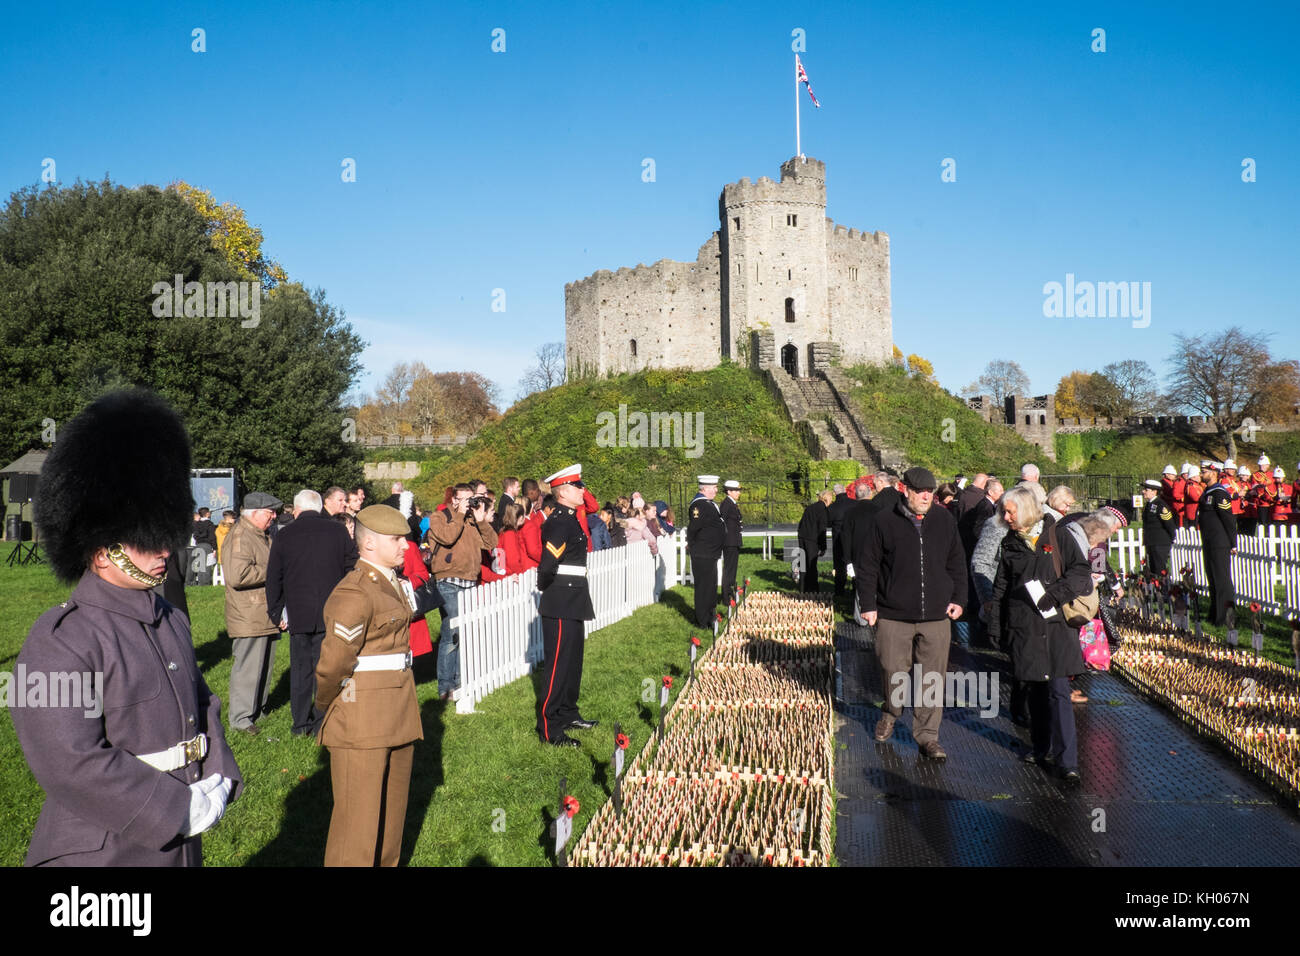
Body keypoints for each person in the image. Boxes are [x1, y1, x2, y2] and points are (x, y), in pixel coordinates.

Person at [13, 389, 241, 865]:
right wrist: (177, 810)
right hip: (107, 846)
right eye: (146, 540)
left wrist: (218, 774)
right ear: (102, 550)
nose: (164, 550)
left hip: (179, 838)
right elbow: (69, 761)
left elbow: (203, 703)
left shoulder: (169, 617)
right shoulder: (64, 638)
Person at [317, 505, 423, 866]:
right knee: (356, 831)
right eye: (397, 540)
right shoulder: (355, 591)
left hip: (398, 712)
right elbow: (334, 665)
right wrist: (328, 705)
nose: (406, 546)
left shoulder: (391, 582)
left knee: (391, 824)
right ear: (370, 545)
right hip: (361, 720)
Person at [859, 467, 966, 760]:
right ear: (904, 489)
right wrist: (868, 605)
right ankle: (891, 711)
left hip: (935, 615)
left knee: (932, 678)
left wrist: (959, 598)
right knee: (892, 671)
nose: (926, 496)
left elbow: (957, 561)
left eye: (930, 491)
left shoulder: (944, 520)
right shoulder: (883, 520)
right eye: (920, 490)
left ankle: (928, 737)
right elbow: (868, 565)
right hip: (893, 614)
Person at [986, 486, 1091, 785]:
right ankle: (1041, 746)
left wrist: (1054, 595)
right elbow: (1002, 587)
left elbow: (1080, 571)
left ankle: (1068, 761)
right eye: (1003, 512)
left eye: (1010, 511)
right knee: (1035, 690)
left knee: (1058, 691)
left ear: (1027, 509)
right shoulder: (1009, 544)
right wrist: (996, 626)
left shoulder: (1059, 535)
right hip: (1024, 624)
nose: (1005, 517)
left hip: (1055, 624)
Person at [265, 489, 359, 737]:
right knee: (328, 668)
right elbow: (352, 568)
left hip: (299, 613)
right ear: (319, 508)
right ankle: (322, 720)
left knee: (300, 670)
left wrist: (276, 612)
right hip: (333, 612)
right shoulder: (338, 531)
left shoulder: (285, 535)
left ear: (296, 510)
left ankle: (300, 724)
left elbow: (274, 576)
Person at [535, 464, 598, 747]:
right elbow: (547, 566)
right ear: (562, 491)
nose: (583, 490)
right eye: (577, 486)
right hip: (561, 600)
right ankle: (550, 728)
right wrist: (551, 589)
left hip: (573, 598)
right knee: (558, 666)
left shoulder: (571, 518)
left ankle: (568, 712)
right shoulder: (560, 521)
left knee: (573, 663)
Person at [425, 483, 498, 699]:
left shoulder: (470, 520)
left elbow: (491, 542)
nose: (468, 503)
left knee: (464, 633)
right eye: (465, 499)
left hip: (469, 582)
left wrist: (480, 519)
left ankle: (459, 681)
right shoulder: (440, 517)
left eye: (471, 499)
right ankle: (445, 686)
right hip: (447, 580)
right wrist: (458, 514)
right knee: (452, 632)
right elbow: (447, 538)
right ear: (454, 499)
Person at [222, 491, 283, 734]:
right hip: (249, 615)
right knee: (248, 667)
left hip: (262, 613)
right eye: (270, 512)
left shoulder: (259, 535)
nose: (274, 516)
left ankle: (257, 710)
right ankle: (241, 719)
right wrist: (274, 572)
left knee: (264, 666)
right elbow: (237, 576)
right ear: (255, 513)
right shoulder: (240, 536)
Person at [1198, 461, 1237, 626]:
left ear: (1214, 473)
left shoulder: (1219, 493)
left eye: (1204, 471)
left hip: (1219, 542)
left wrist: (1232, 543)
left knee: (1221, 579)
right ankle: (1214, 614)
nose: (1201, 474)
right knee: (1212, 578)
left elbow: (1228, 519)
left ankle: (1225, 617)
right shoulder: (1208, 491)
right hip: (1209, 541)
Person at [687, 475, 726, 626]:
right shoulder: (699, 505)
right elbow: (694, 528)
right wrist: (692, 544)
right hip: (703, 553)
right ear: (704, 489)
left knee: (710, 586)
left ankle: (710, 615)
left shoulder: (708, 504)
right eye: (714, 487)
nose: (716, 490)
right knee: (704, 587)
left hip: (710, 553)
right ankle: (702, 620)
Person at [797, 490, 833, 593]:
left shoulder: (809, 508)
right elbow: (822, 529)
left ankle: (802, 587)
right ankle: (813, 589)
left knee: (803, 564)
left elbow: (801, 524)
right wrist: (823, 546)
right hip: (812, 540)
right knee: (812, 565)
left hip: (802, 537)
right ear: (827, 499)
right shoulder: (823, 510)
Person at [1140, 479, 1176, 576]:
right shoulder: (1149, 504)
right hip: (1152, 542)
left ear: (1154, 491)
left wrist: (1172, 538)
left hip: (1160, 543)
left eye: (1146, 489)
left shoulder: (1160, 505)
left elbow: (1169, 524)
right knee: (1152, 571)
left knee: (1160, 571)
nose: (1143, 491)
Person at [719, 479, 744, 605]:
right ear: (729, 491)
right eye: (736, 491)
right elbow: (721, 522)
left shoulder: (731, 503)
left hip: (733, 541)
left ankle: (730, 591)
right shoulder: (727, 504)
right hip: (729, 541)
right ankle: (726, 596)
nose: (738, 493)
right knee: (729, 569)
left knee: (732, 569)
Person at [827, 484, 853, 600]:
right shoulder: (854, 504)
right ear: (845, 491)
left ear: (835, 493)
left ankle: (839, 591)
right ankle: (856, 588)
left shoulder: (833, 507)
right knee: (855, 563)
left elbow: (827, 522)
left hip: (838, 539)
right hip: (853, 538)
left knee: (839, 566)